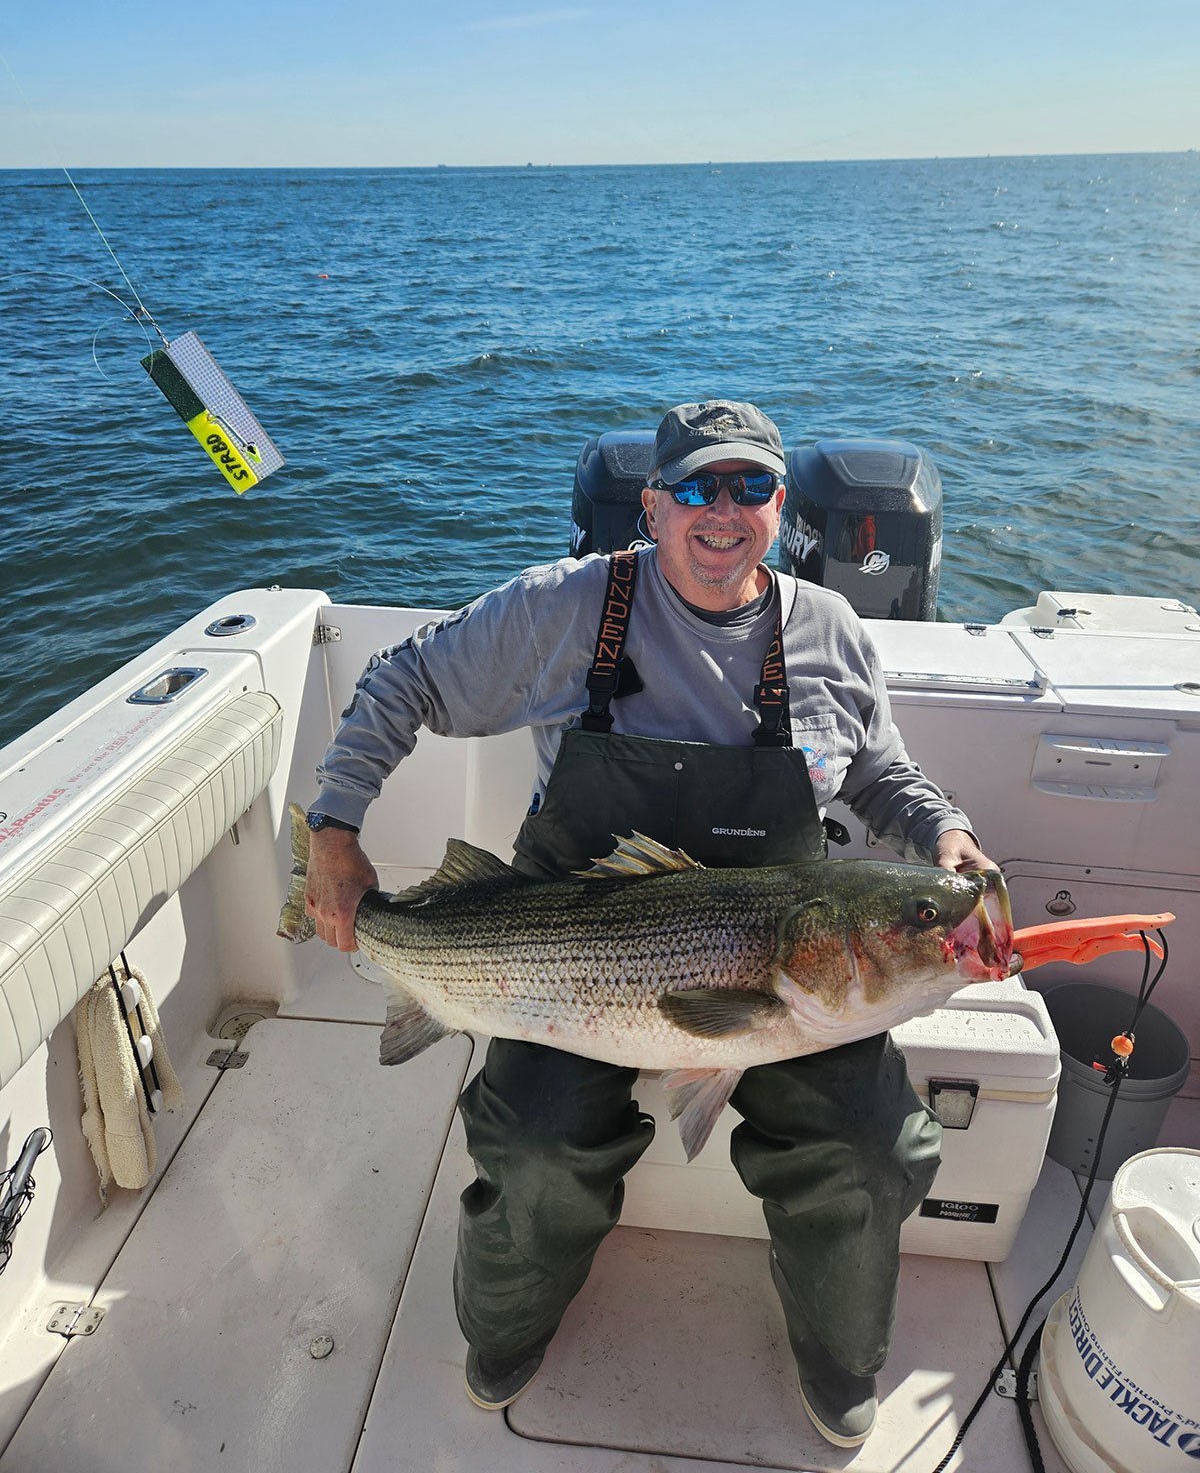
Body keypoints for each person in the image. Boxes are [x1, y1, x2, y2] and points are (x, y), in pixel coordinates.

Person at [304, 400, 995, 1448]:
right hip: (569, 942)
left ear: (782, 507)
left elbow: (878, 769)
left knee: (873, 1143)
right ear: (653, 506)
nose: (724, 510)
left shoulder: (829, 630)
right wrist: (333, 830)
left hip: (778, 946)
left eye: (750, 487)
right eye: (697, 487)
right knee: (534, 1143)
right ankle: (507, 1324)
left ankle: (840, 1345)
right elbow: (403, 678)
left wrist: (945, 833)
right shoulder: (566, 607)